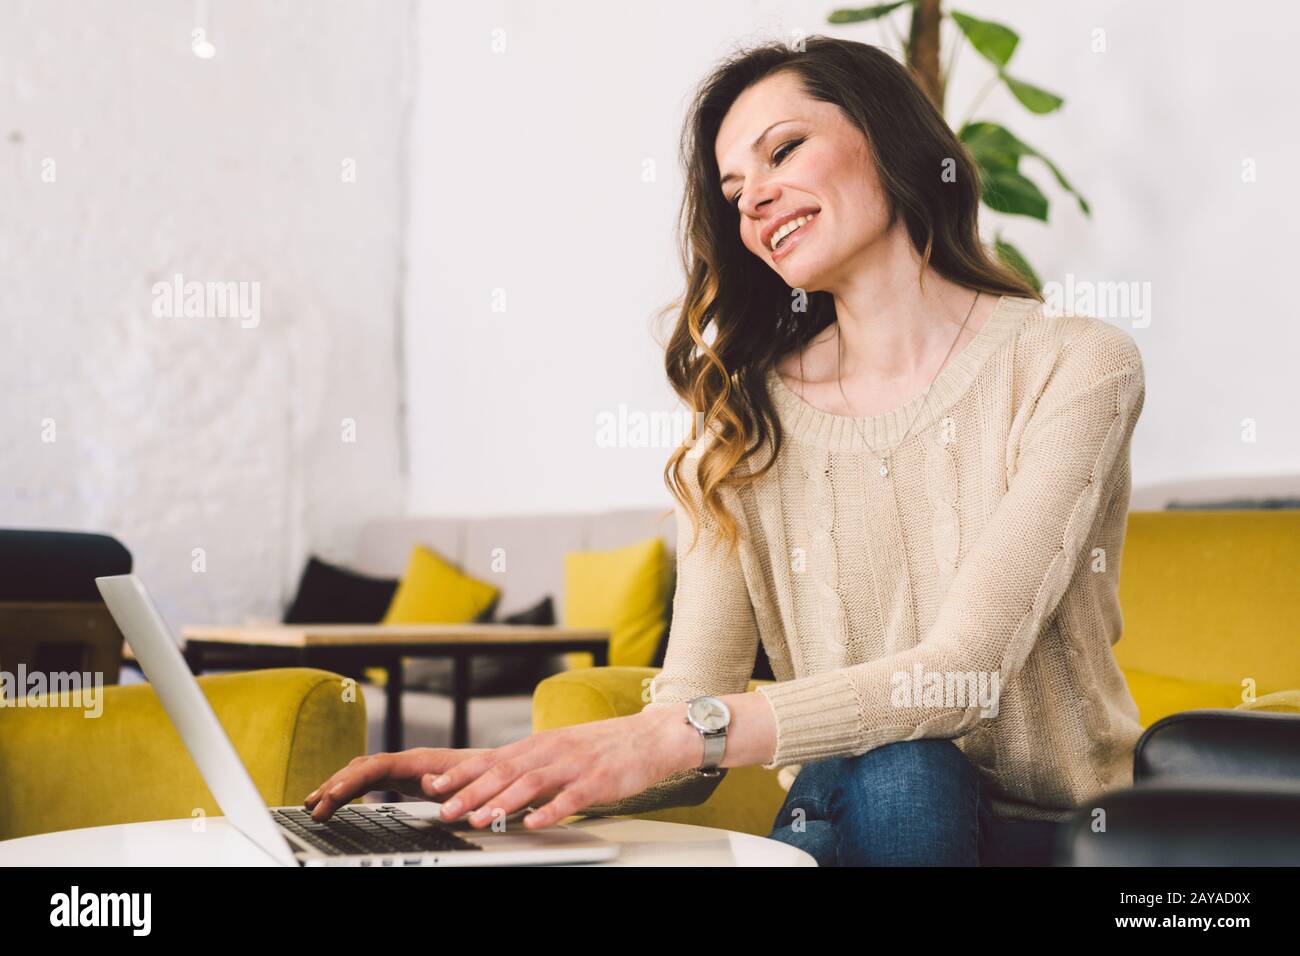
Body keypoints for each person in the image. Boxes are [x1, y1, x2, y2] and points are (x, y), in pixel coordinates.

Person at [304, 35, 1147, 867]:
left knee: (912, 762)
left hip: (1060, 835)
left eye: (784, 150)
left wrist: (683, 733)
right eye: (733, 189)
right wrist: (507, 778)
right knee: (900, 776)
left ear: (891, 139)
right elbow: (688, 714)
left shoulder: (1074, 365)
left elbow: (963, 671)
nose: (753, 203)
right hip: (857, 817)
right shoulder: (743, 423)